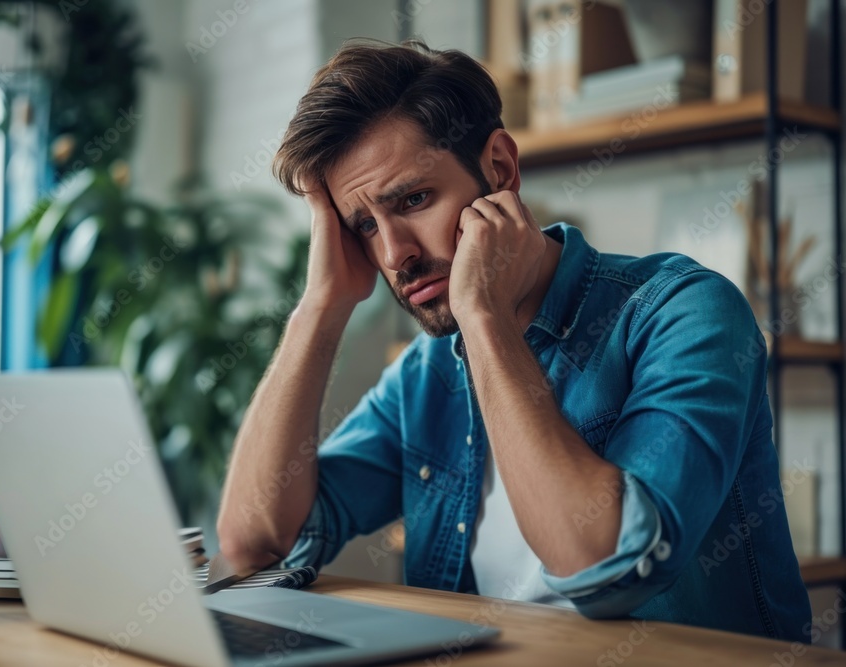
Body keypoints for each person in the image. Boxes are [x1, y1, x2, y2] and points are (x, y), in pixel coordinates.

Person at [215, 39, 811, 642]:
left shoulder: (684, 312)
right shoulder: (427, 375)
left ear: (499, 168)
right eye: (364, 226)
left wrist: (485, 316)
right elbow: (257, 543)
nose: (395, 255)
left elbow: (607, 566)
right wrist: (321, 305)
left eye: (414, 200)